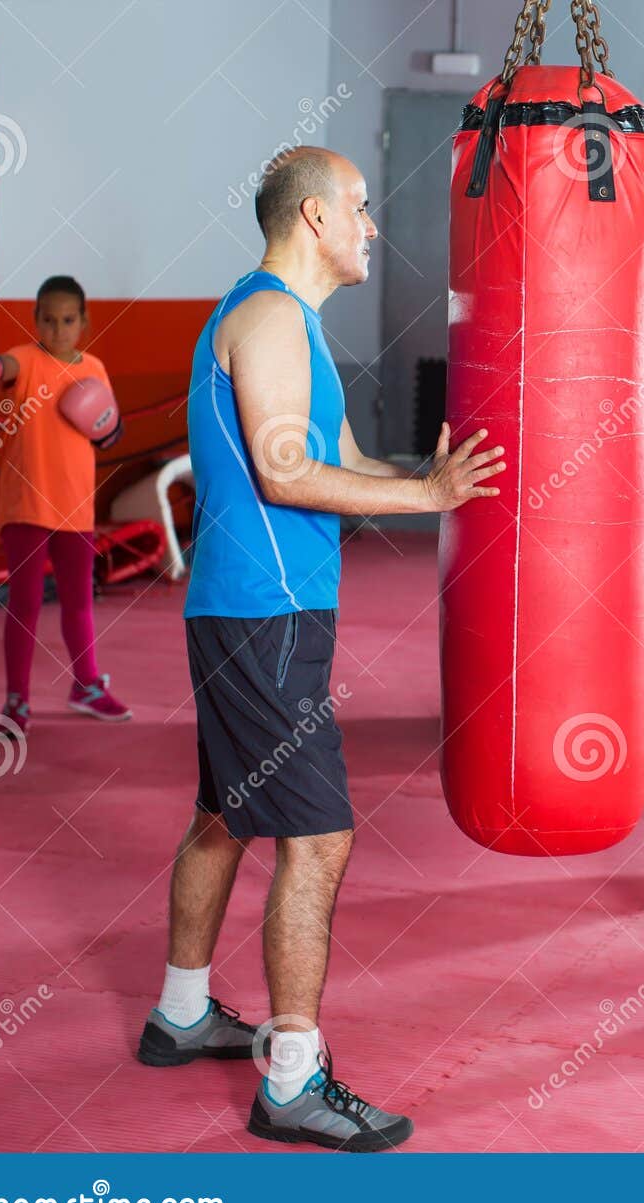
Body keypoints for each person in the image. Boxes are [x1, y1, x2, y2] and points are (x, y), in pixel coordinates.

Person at [134, 146, 504, 1152]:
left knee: (222, 815)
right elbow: (287, 470)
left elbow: (338, 461)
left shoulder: (289, 328)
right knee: (318, 838)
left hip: (254, 612)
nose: (372, 226)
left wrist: (418, 473)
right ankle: (291, 1081)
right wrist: (426, 501)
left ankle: (179, 1012)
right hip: (265, 616)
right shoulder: (265, 318)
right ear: (311, 217)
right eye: (360, 206)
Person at [0, 276, 130, 737]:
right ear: (35, 321)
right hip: (26, 505)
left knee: (78, 601)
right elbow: (5, 365)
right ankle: (17, 700)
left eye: (68, 319)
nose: (57, 328)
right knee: (25, 604)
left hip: (77, 508)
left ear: (84, 322)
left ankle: (86, 685)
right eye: (48, 320)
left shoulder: (95, 367)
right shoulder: (26, 360)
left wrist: (111, 431)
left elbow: (107, 430)